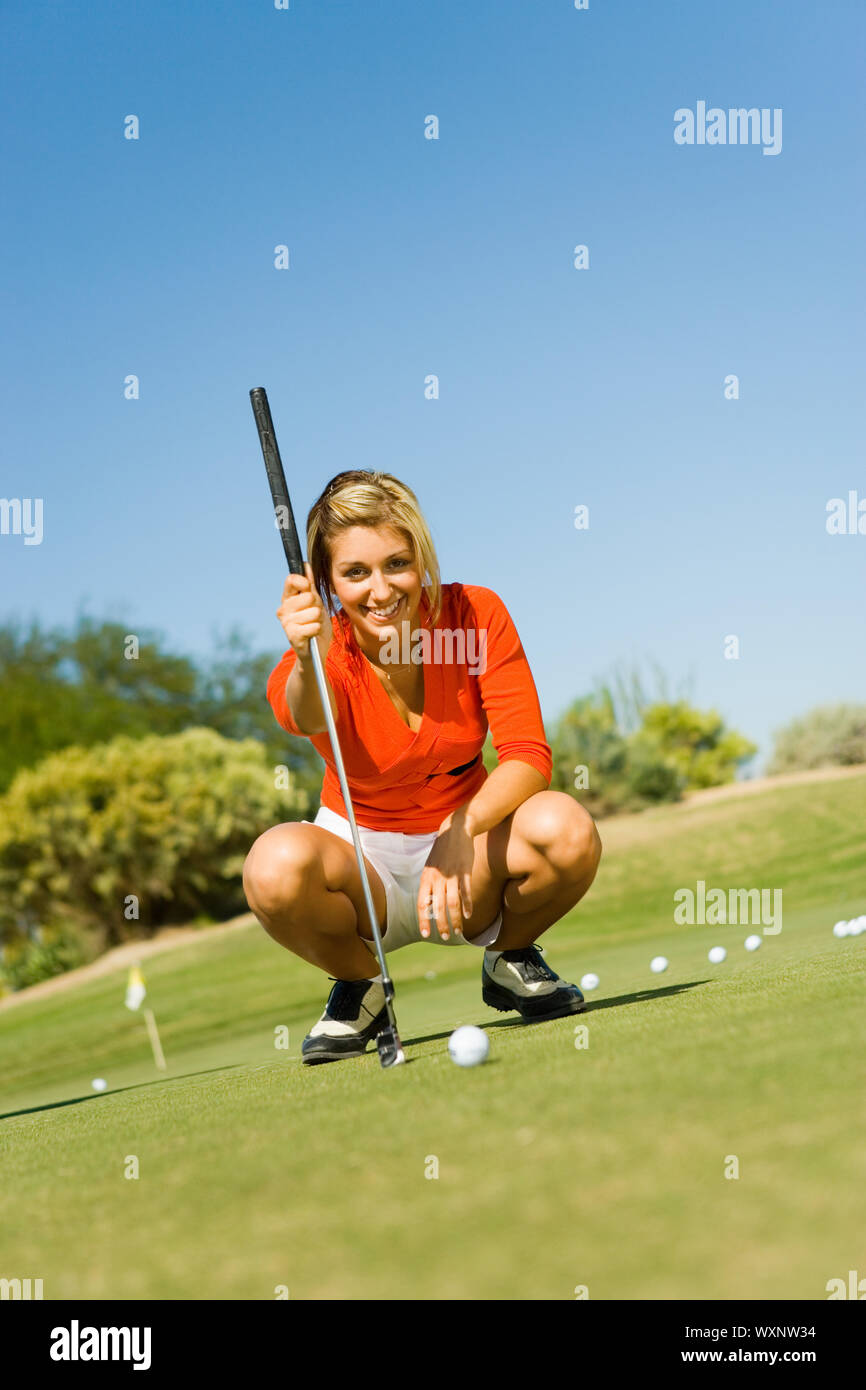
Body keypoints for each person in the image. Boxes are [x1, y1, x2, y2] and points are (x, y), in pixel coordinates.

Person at [243, 469, 602, 1064]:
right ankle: (362, 987)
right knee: (272, 868)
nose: (380, 591)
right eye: (355, 573)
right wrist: (308, 656)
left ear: (421, 557)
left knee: (566, 829)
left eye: (396, 564)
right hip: (362, 862)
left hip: (470, 856)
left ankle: (510, 958)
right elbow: (303, 714)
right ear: (328, 584)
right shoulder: (321, 649)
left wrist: (463, 828)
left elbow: (528, 757)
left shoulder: (473, 614)